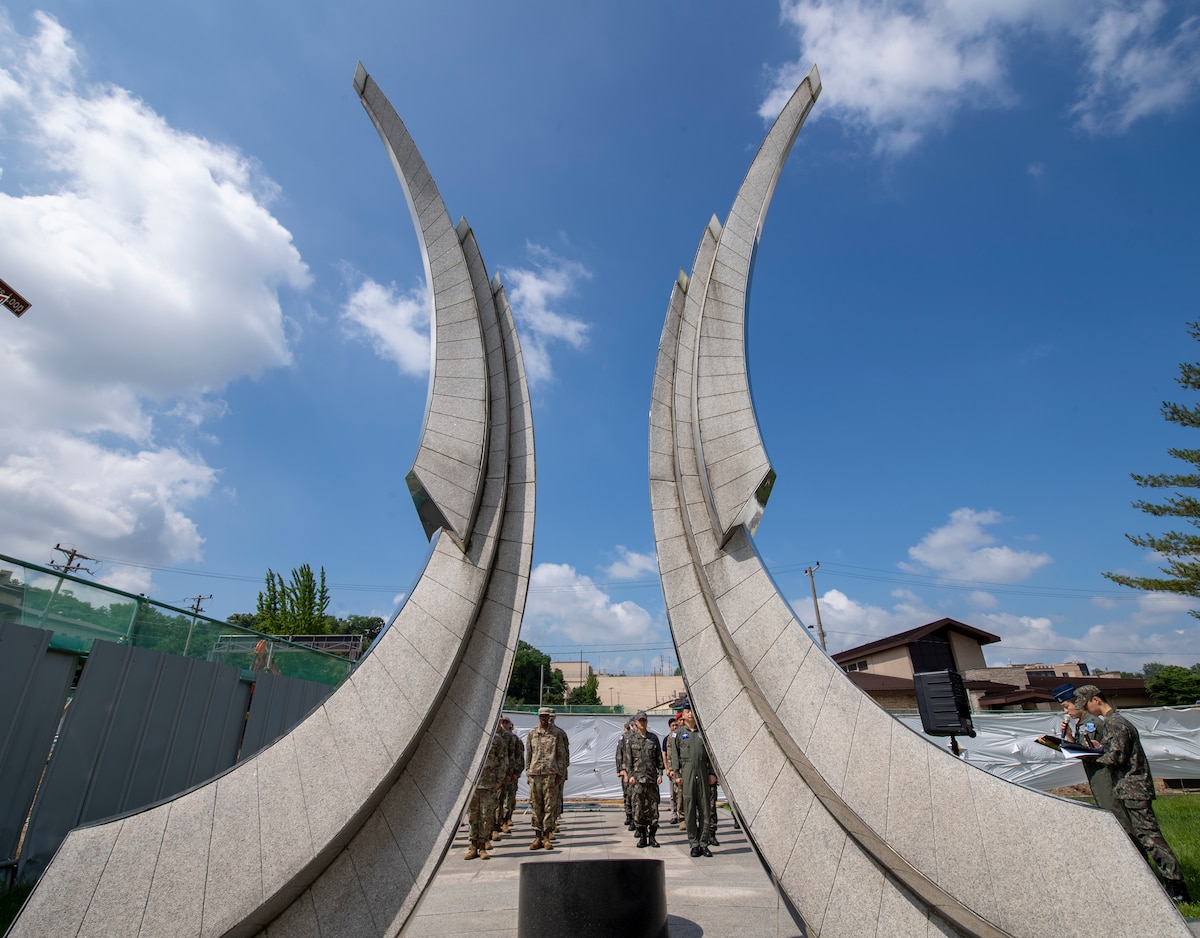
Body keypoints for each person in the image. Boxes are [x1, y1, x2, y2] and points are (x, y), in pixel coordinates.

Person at [1075, 685, 1191, 903]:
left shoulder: (1116, 724)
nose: (1087, 710)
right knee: (1144, 835)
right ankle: (1166, 883)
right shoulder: (1113, 723)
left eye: (1087, 704)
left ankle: (1177, 886)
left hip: (1133, 787)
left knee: (1150, 837)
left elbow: (1116, 757)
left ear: (1096, 700)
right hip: (1127, 786)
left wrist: (1089, 755)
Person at [668, 703, 717, 857]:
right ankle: (693, 843)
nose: (690, 714)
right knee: (689, 810)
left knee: (705, 809)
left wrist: (712, 773)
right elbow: (675, 756)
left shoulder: (703, 733)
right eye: (687, 711)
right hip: (687, 772)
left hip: (702, 772)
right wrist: (677, 775)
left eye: (692, 711)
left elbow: (711, 755)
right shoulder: (678, 734)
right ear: (682, 714)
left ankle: (704, 843)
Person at [1057, 697, 1112, 810]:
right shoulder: (1081, 722)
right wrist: (1069, 736)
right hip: (1094, 772)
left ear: (1077, 703)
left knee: (1111, 808)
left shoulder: (1090, 723)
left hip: (1103, 772)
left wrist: (1070, 748)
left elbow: (1089, 752)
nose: (1066, 711)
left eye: (1067, 707)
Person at [525, 706, 568, 849]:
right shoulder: (532, 733)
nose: (544, 719)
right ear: (538, 717)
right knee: (536, 806)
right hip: (535, 774)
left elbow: (561, 756)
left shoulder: (556, 734)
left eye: (546, 716)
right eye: (541, 716)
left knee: (550, 806)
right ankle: (537, 836)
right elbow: (529, 754)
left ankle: (547, 836)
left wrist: (560, 775)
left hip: (551, 775)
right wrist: (528, 772)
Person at [465, 723, 505, 860]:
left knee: (485, 817)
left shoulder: (497, 740)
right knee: (472, 817)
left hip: (489, 784)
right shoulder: (471, 737)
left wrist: (499, 780)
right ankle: (472, 846)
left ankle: (482, 846)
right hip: (472, 785)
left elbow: (502, 761)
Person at [622, 711, 663, 848]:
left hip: (651, 779)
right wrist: (630, 775)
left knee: (653, 809)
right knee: (639, 808)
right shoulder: (631, 740)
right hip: (638, 780)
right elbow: (628, 760)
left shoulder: (653, 738)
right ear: (636, 723)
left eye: (644, 721)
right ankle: (642, 836)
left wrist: (660, 774)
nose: (642, 723)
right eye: (640, 721)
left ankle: (652, 836)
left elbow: (658, 758)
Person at [498, 717, 523, 833]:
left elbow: (518, 756)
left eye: (506, 722)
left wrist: (517, 772)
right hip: (495, 774)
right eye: (503, 722)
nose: (504, 724)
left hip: (510, 773)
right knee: (496, 800)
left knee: (509, 798)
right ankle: (495, 825)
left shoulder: (513, 738)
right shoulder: (491, 737)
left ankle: (506, 820)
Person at [549, 708, 570, 832]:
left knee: (556, 797)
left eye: (552, 716)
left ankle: (554, 819)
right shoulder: (536, 733)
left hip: (557, 771)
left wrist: (562, 772)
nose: (550, 719)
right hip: (543, 772)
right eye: (548, 716)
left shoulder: (560, 733)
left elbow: (565, 754)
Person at [661, 717, 681, 824]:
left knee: (682, 794)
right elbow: (664, 755)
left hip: (681, 770)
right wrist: (667, 768)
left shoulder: (681, 737)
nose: (674, 727)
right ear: (669, 727)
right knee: (673, 794)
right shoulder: (666, 739)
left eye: (676, 725)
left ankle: (682, 814)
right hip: (672, 771)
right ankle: (674, 814)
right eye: (672, 725)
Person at [616, 720, 635, 829]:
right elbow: (619, 754)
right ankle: (629, 815)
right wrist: (620, 770)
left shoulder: (638, 736)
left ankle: (635, 818)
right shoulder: (623, 738)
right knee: (627, 794)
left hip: (636, 771)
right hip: (626, 770)